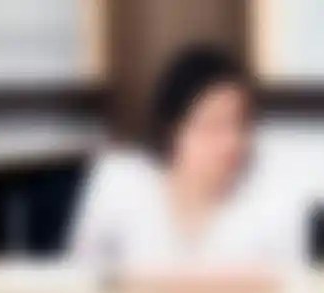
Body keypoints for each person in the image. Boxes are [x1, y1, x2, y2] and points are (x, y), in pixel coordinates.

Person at [67, 45, 303, 278]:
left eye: (240, 125)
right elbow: (81, 283)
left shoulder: (272, 198)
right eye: (213, 127)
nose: (232, 142)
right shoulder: (121, 181)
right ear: (173, 131)